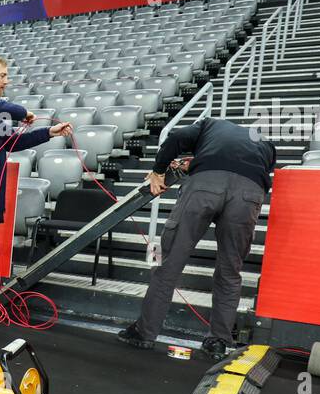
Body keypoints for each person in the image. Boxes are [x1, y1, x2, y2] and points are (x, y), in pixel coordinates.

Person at [118, 117, 276, 360]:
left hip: (204, 188)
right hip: (248, 195)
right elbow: (246, 168)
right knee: (230, 271)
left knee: (169, 264)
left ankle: (144, 333)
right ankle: (218, 341)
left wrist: (159, 171)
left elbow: (177, 137)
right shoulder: (263, 141)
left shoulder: (208, 124)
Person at [0, 55, 72, 319]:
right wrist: (21, 111)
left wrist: (48, 134)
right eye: (3, 75)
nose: (7, 81)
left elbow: (10, 144)